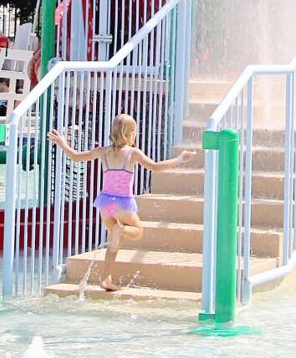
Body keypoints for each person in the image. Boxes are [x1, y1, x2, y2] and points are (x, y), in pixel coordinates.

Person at [46, 115, 194, 292]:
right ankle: (121, 229)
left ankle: (106, 280)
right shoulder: (133, 153)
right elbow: (155, 167)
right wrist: (180, 159)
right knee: (138, 231)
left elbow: (77, 157)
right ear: (130, 134)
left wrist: (62, 144)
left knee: (113, 245)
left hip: (105, 203)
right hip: (123, 203)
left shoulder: (103, 151)